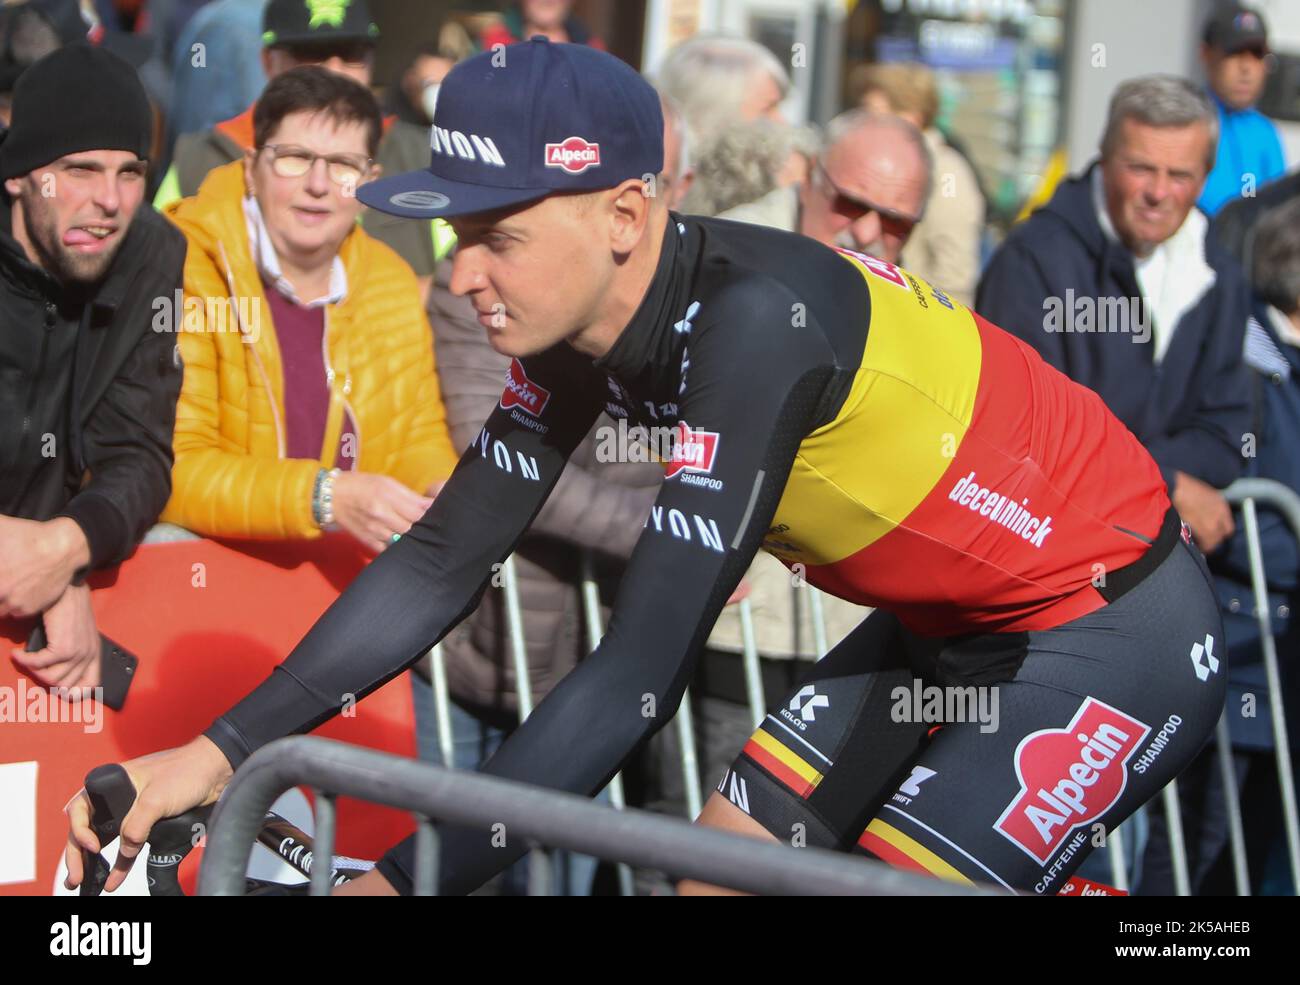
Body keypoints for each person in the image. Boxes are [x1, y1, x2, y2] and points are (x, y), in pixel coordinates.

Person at [66, 39, 1227, 898]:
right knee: (713, 878)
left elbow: (634, 677)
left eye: (497, 235)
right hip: (948, 624)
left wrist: (404, 883)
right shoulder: (572, 330)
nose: (463, 272)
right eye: (455, 235)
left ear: (626, 212)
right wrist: (218, 750)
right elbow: (437, 562)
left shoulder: (757, 325)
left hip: (1103, 624)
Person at [157, 66, 457, 549]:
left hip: (345, 584)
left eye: (343, 165)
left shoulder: (391, 281)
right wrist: (324, 496)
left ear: (369, 185)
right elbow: (171, 470)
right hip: (211, 575)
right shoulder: (185, 269)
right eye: (294, 158)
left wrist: (439, 489)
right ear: (252, 167)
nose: (318, 184)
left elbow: (416, 438)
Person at [976, 76, 1252, 557]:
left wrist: (1148, 483)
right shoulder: (1032, 262)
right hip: (1043, 553)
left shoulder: (1219, 274)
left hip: (1161, 560)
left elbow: (1230, 434)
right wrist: (1167, 482)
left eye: (1180, 175)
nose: (1159, 192)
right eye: (1140, 168)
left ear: (1206, 176)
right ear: (1104, 160)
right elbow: (1023, 431)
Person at [0, 44, 186, 691]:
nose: (109, 200)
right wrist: (42, 562)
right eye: (79, 169)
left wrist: (67, 548)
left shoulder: (149, 253)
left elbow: (138, 449)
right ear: (19, 175)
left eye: (130, 172)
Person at [854, 61, 986, 307]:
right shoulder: (887, 163)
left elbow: (954, 276)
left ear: (912, 118)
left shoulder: (947, 173)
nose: (863, 122)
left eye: (873, 112)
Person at [1197, 3, 1286, 217]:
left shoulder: (1266, 133)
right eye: (1234, 52)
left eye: (1256, 54)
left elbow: (1279, 213)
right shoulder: (1184, 121)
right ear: (1206, 54)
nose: (1246, 68)